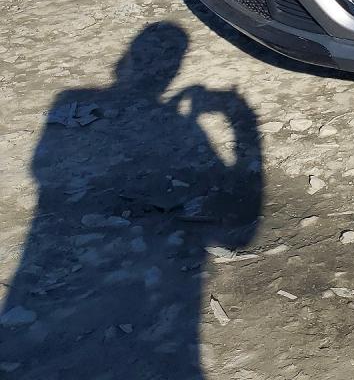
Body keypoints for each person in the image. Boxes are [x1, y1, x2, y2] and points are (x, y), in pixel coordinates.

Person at [0, 23, 262, 380]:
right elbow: (238, 232)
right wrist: (242, 122)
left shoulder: (73, 102)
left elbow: (42, 170)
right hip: (166, 328)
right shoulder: (179, 125)